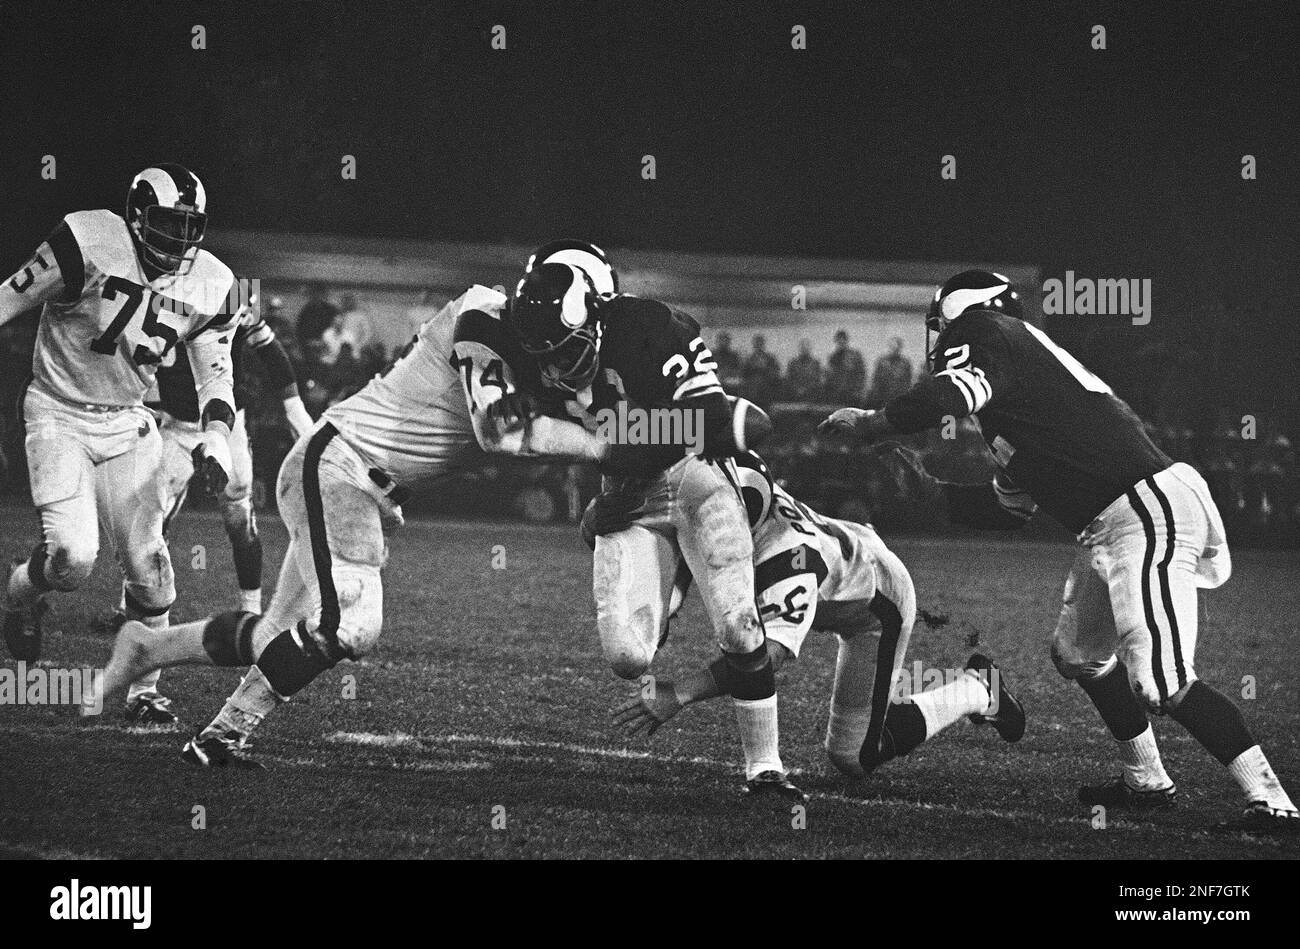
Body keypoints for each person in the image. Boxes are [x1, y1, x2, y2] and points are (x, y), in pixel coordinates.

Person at [820, 269, 1298, 835]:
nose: (936, 338)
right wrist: (930, 492)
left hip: (1143, 507)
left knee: (1161, 679)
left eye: (938, 323)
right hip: (1112, 520)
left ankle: (1272, 799)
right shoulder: (1021, 397)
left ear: (963, 309)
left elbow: (948, 393)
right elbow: (1008, 510)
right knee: (1078, 655)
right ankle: (1146, 779)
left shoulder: (985, 328)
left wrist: (874, 424)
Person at [612, 450, 1026, 777]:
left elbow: (762, 658)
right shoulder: (738, 504)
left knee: (853, 756)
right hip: (846, 551)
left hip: (877, 604)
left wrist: (680, 694)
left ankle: (978, 689)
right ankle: (879, 704)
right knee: (856, 728)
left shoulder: (786, 560)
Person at [0, 164, 239, 724]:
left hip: (129, 421)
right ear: (135, 216)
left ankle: (144, 690)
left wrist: (216, 439)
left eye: (189, 227)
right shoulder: (87, 240)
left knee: (150, 563)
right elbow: (6, 299)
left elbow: (217, 380)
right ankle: (20, 591)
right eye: (166, 224)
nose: (177, 240)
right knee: (73, 562)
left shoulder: (213, 281)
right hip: (57, 411)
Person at [868, 335, 913, 407]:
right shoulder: (882, 362)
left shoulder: (905, 363)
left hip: (899, 398)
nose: (894, 350)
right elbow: (876, 380)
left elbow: (908, 381)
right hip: (883, 398)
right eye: (892, 347)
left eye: (896, 348)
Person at [825, 329, 866, 405]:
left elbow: (861, 374)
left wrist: (858, 391)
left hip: (852, 393)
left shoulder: (855, 355)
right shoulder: (833, 357)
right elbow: (830, 375)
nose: (841, 343)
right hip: (838, 393)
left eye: (843, 340)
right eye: (838, 341)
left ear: (846, 341)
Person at [741, 334, 781, 406]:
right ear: (754, 345)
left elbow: (776, 371)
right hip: (752, 389)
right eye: (757, 344)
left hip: (767, 387)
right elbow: (744, 374)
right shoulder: (749, 359)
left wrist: (765, 368)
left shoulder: (770, 358)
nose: (758, 346)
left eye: (760, 343)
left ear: (763, 345)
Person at [295, 282, 337, 348]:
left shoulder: (331, 310)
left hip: (327, 344)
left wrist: (324, 341)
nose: (317, 296)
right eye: (314, 293)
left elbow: (335, 328)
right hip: (309, 345)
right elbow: (300, 330)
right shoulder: (306, 310)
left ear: (324, 295)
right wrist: (307, 342)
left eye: (319, 293)